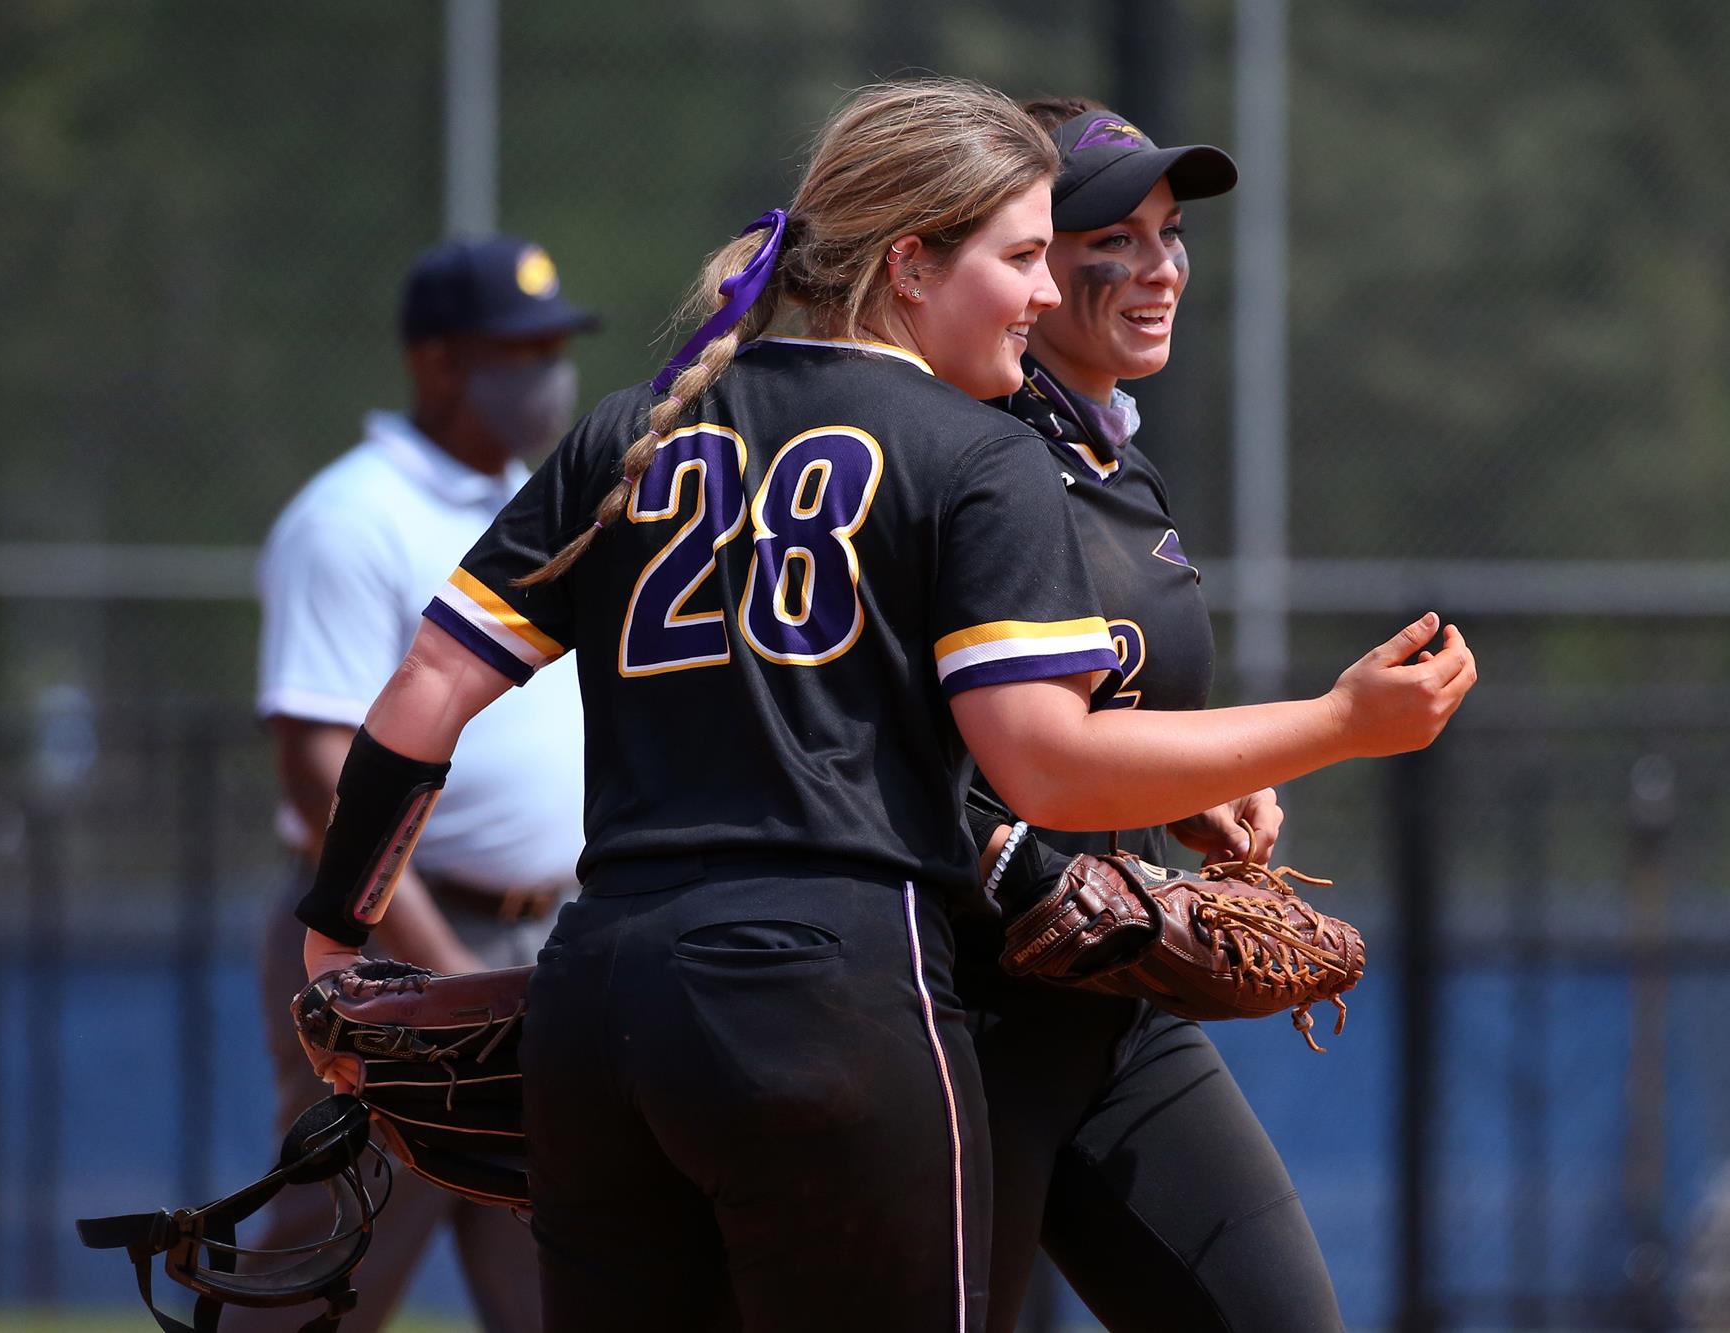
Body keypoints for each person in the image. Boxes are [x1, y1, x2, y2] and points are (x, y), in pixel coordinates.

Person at [293, 78, 1475, 1333]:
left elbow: (427, 689)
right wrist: (1340, 724)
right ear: (909, 263)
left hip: (600, 990)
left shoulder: (637, 427)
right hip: (835, 992)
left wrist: (333, 939)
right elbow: (1045, 766)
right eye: (1023, 256)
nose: (1039, 291)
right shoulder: (973, 451)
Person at [958, 99, 1354, 1331]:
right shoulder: (960, 459)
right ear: (1023, 258)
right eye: (1110, 238)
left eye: (1168, 233)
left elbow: (1100, 714)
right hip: (953, 1012)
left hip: (1105, 989)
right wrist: (1338, 722)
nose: (1159, 266)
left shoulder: (1115, 461)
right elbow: (946, 752)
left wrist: (1192, 791)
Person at [234, 234, 600, 1333]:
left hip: (541, 936)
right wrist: (441, 971)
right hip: (393, 937)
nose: (548, 373)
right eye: (518, 350)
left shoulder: (537, 502)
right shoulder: (350, 516)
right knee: (334, 1260)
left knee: (566, 1263)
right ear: (437, 361)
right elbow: (318, 768)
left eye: (554, 347)